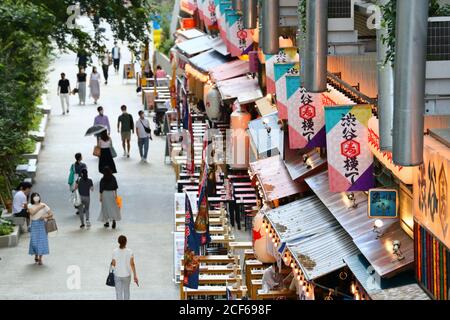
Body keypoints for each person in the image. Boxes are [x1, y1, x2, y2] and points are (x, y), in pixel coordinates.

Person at [28, 193, 53, 265]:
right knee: (34, 242)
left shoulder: (44, 205)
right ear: (32, 198)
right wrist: (39, 207)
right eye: (34, 196)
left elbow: (51, 214)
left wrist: (45, 217)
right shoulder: (30, 205)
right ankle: (36, 255)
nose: (36, 198)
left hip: (42, 225)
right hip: (34, 225)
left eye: (37, 196)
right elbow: (32, 213)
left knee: (42, 242)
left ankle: (40, 258)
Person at [111, 235, 138, 300]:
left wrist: (113, 269)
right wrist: (135, 276)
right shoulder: (130, 251)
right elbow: (132, 264)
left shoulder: (114, 251)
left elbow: (113, 264)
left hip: (117, 275)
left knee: (118, 293)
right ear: (126, 242)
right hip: (127, 275)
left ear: (118, 242)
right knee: (126, 292)